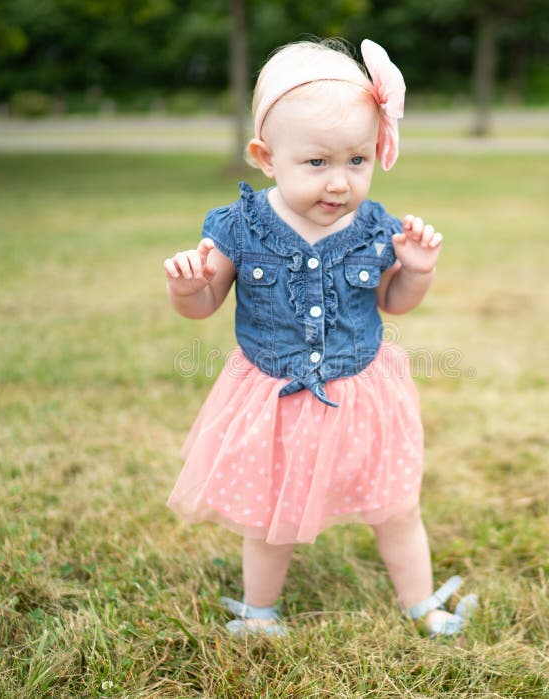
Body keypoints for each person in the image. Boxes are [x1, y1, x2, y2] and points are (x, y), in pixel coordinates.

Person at [164, 38, 477, 638]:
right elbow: (203, 307)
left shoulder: (375, 228)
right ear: (265, 156)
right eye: (317, 163)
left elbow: (392, 303)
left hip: (362, 390)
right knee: (270, 514)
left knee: (396, 505)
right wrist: (189, 287)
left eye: (357, 161)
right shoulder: (238, 227)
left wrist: (416, 270)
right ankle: (261, 612)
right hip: (275, 396)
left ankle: (420, 603)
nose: (339, 183)